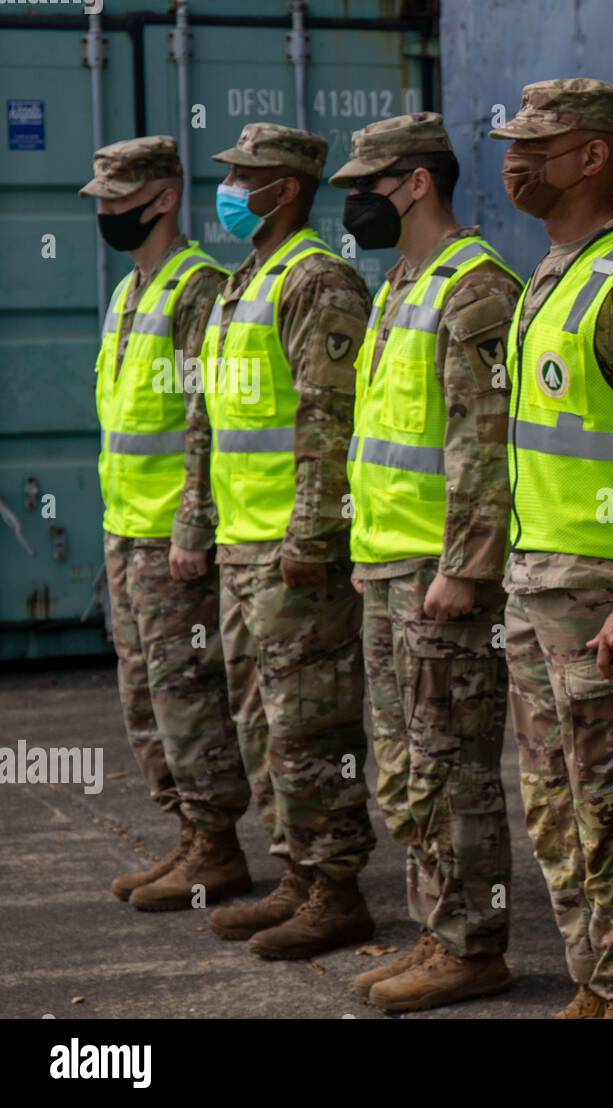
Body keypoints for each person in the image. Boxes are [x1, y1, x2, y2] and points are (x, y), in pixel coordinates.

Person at [490, 78, 613, 1019]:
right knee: (554, 806)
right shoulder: (552, 272)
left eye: (537, 144)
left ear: (594, 156)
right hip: (539, 588)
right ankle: (593, 982)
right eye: (511, 143)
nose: (513, 161)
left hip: (605, 596)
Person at [328, 112, 521, 1010]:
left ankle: (473, 945)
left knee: (455, 768)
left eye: (367, 185)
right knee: (408, 765)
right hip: (391, 565)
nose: (355, 202)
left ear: (415, 183)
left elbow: (484, 444)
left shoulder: (474, 288)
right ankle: (437, 931)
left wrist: (468, 566)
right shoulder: (403, 281)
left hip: (439, 576)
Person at [200, 124, 377, 960]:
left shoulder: (317, 281)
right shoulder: (247, 282)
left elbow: (327, 421)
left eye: (246, 176)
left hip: (289, 549)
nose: (230, 187)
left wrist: (311, 533)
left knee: (311, 725)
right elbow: (223, 421)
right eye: (230, 173)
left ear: (290, 189)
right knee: (264, 725)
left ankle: (336, 887)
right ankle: (298, 875)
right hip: (245, 544)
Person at [81, 136, 251, 912]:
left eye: (119, 200)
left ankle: (216, 847)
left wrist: (193, 524)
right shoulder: (129, 292)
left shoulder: (195, 289)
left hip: (168, 540)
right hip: (127, 527)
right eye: (102, 202)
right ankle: (187, 832)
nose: (107, 213)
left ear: (164, 198)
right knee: (143, 699)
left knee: (187, 698)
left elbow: (202, 418)